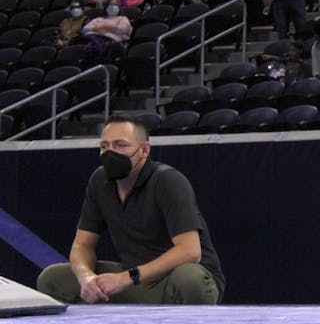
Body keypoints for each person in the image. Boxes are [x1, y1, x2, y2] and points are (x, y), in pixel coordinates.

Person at [36, 114, 224, 305]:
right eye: (104, 146)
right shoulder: (100, 181)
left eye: (121, 145)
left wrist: (127, 277)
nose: (111, 153)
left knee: (190, 278)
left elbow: (190, 251)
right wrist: (86, 277)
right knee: (52, 279)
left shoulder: (168, 181)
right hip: (134, 280)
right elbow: (82, 244)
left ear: (144, 150)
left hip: (172, 280)